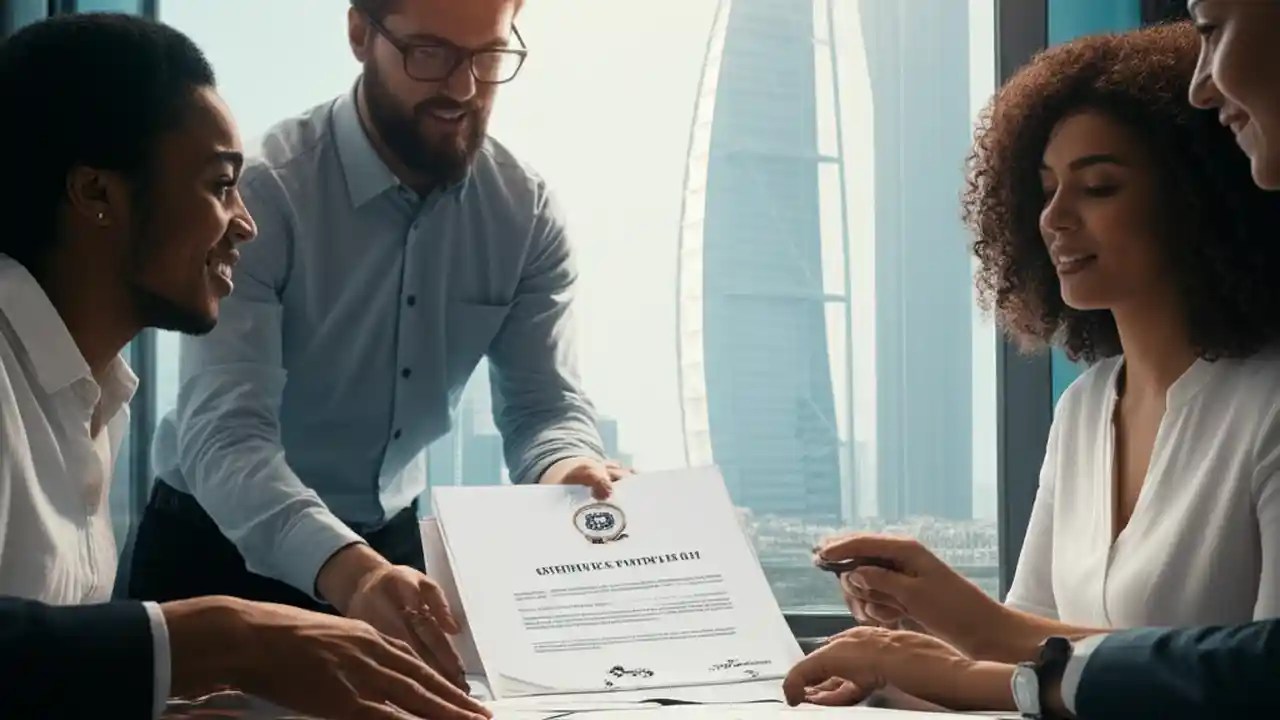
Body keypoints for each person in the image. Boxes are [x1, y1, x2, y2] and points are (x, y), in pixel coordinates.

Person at [785, 7, 1280, 719]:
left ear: (1200, 198)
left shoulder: (1268, 402)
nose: (1053, 217)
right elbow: (1018, 679)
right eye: (1044, 189)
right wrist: (884, 670)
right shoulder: (1083, 408)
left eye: (1098, 186)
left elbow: (1255, 681)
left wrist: (968, 632)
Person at [0, 14, 489, 720]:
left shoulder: (91, 398)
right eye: (220, 186)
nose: (246, 223)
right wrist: (223, 637)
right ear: (97, 194)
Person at [126, 0, 630, 673]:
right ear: (360, 32)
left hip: (391, 552)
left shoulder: (525, 212)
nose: (463, 87)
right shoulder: (265, 194)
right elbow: (226, 434)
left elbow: (544, 408)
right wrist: (350, 574)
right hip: (217, 546)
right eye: (430, 54)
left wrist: (569, 470)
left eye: (488, 55)